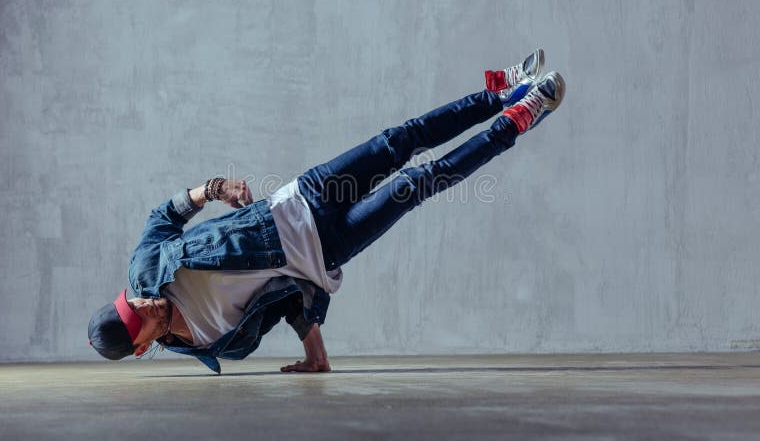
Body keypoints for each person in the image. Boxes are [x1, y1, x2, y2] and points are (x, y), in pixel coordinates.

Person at [88, 49, 565, 374]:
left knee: (400, 140)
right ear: (141, 347)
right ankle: (516, 120)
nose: (144, 304)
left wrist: (213, 188)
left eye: (131, 303)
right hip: (326, 249)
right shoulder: (217, 346)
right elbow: (283, 302)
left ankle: (500, 93)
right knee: (419, 182)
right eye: (138, 319)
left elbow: (162, 218)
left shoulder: (145, 270)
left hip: (301, 199)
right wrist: (316, 353)